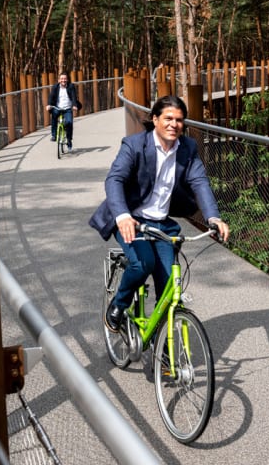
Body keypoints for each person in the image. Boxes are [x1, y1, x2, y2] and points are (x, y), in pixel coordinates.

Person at [89, 95, 230, 333]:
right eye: (168, 118)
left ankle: (164, 348)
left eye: (179, 120)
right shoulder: (134, 145)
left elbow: (200, 182)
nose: (174, 124)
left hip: (162, 223)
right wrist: (122, 215)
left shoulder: (188, 148)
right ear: (155, 119)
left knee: (168, 287)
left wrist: (213, 218)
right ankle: (119, 304)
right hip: (131, 219)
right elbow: (115, 179)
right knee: (143, 264)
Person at [46, 73, 82, 151]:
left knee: (69, 122)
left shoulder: (71, 86)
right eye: (62, 79)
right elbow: (51, 96)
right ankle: (54, 135)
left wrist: (74, 105)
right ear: (59, 80)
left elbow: (73, 96)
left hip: (68, 108)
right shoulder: (55, 87)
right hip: (58, 107)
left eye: (65, 79)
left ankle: (69, 140)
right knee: (54, 116)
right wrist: (49, 105)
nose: (63, 80)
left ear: (67, 80)